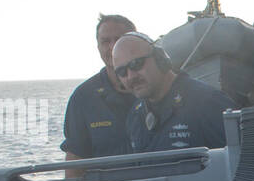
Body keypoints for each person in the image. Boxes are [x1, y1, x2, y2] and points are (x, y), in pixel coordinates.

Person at [111, 31, 235, 153]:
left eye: (136, 64)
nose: (131, 76)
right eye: (122, 72)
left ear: (160, 59)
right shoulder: (135, 117)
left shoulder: (207, 103)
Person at [62, 14, 138, 166]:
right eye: (105, 41)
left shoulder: (159, 89)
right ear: (98, 47)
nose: (112, 47)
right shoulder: (83, 97)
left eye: (118, 40)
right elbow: (75, 159)